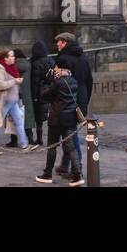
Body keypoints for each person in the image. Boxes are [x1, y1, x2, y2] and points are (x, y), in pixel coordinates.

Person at [34, 63, 84, 186]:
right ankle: (77, 174)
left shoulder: (58, 82)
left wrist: (48, 81)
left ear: (61, 69)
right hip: (70, 119)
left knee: (52, 147)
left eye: (56, 68)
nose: (54, 70)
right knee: (71, 147)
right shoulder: (73, 81)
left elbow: (44, 95)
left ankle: (47, 174)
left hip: (56, 119)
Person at [53, 32, 92, 177]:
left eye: (59, 42)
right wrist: (85, 100)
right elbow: (89, 81)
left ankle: (78, 167)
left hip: (67, 100)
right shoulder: (82, 57)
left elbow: (58, 82)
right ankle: (64, 165)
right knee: (68, 133)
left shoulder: (63, 59)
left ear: (65, 43)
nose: (57, 44)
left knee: (70, 134)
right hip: (80, 99)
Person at [0, 49, 31, 150]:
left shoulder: (11, 68)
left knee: (19, 122)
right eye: (11, 56)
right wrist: (14, 81)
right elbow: (0, 85)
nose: (14, 58)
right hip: (3, 101)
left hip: (12, 101)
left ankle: (23, 144)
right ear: (5, 58)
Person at [28, 41, 51, 148]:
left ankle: (39, 139)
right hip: (50, 90)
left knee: (39, 120)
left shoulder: (36, 63)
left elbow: (35, 82)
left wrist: (35, 96)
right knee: (50, 117)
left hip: (40, 93)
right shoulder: (51, 60)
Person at [12, 47, 36, 148]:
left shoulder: (14, 66)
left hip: (17, 94)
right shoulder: (28, 64)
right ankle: (30, 138)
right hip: (27, 94)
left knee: (13, 118)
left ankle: (13, 140)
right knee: (27, 117)